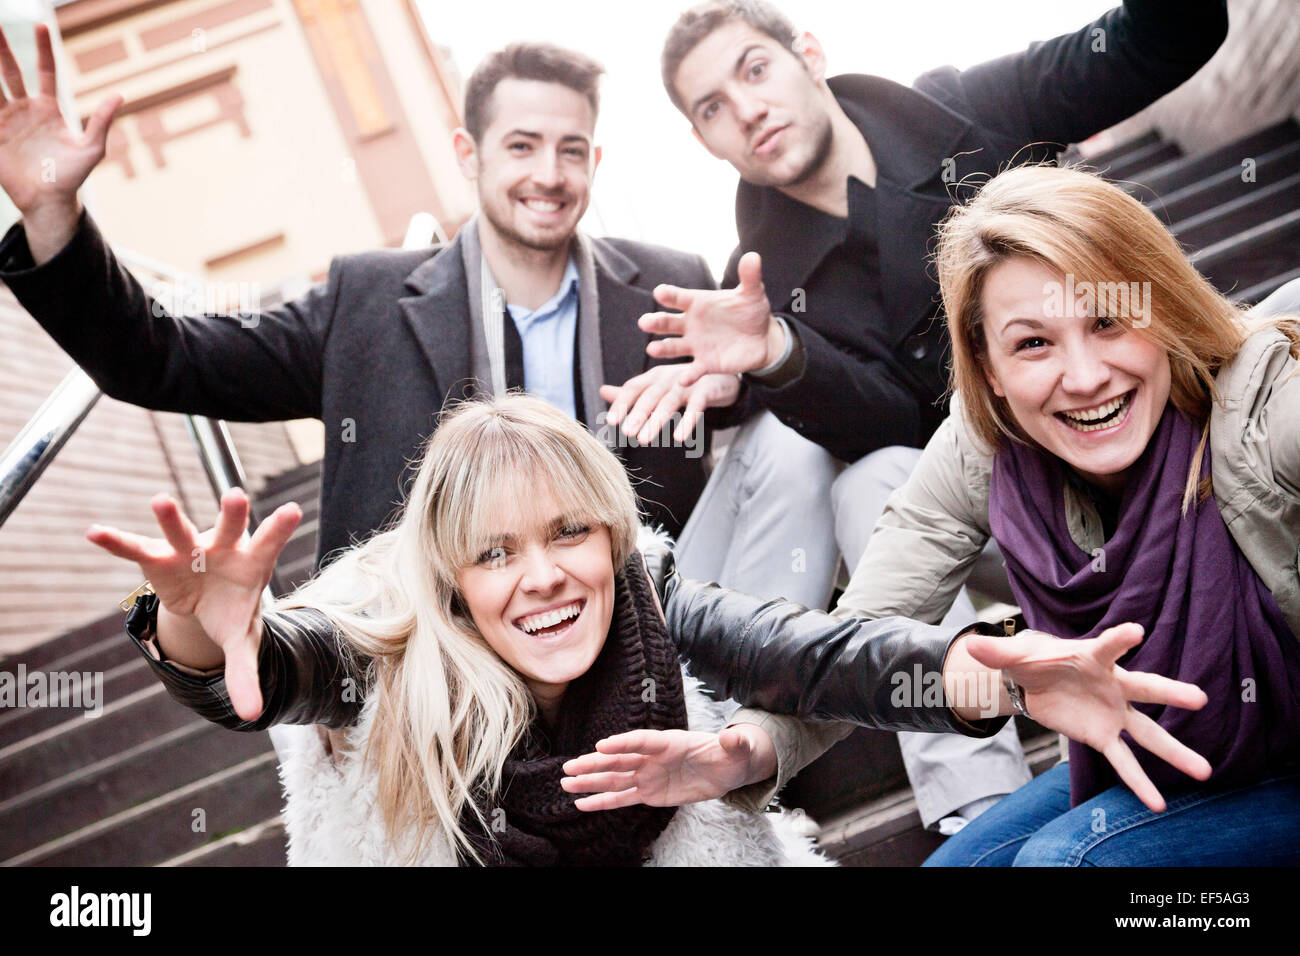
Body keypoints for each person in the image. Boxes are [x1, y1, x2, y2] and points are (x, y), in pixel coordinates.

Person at [88, 393, 1212, 865]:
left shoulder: (648, 601)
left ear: (610, 535)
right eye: (495, 552)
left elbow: (819, 657)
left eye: (567, 532)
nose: (542, 579)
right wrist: (192, 625)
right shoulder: (391, 655)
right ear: (452, 581)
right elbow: (274, 667)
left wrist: (994, 677)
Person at [614, 0, 1232, 835]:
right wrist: (775, 356)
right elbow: (896, 441)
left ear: (808, 52)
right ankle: (979, 802)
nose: (746, 109)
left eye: (753, 70)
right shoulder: (760, 285)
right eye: (711, 108)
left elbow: (1164, 38)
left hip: (1172, 492)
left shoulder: (966, 114)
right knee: (871, 477)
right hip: (1011, 544)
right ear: (704, 141)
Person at [572, 165, 1300, 866]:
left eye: (1108, 323)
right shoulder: (988, 443)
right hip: (1167, 748)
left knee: (1066, 862)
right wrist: (750, 748)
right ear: (989, 369)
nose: (1083, 377)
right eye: (1034, 343)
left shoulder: (1264, 411)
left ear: (1162, 306)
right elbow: (864, 632)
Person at [0, 29, 820, 597]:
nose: (550, 173)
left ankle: (748, 719)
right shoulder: (367, 302)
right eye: (522, 146)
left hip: (643, 621)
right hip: (444, 648)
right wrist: (53, 221)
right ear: (469, 156)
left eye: (572, 150)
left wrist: (746, 384)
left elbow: (740, 414)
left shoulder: (670, 285)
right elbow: (157, 358)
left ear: (595, 160)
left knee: (789, 441)